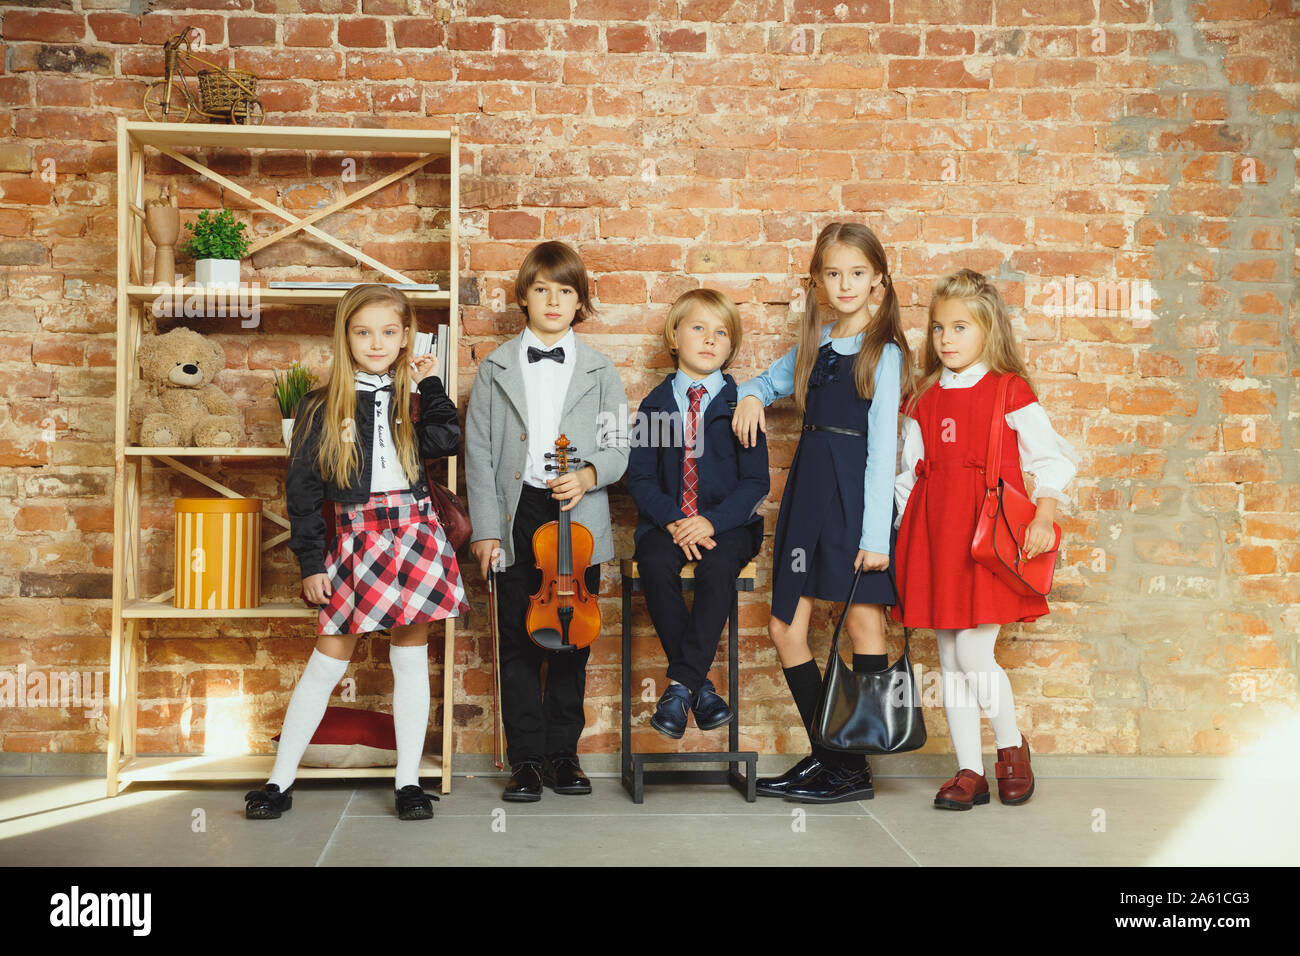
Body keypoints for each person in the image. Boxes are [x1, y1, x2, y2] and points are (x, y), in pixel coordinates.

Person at [246, 284, 468, 821]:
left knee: (410, 659)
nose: (376, 342)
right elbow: (300, 493)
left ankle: (409, 783)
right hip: (355, 539)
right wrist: (310, 563)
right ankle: (279, 781)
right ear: (345, 337)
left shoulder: (414, 402)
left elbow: (448, 438)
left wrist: (430, 379)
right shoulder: (320, 406)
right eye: (363, 331)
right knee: (327, 661)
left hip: (416, 534)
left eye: (389, 332)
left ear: (405, 338)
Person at [732, 222, 911, 803]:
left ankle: (849, 767)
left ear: (878, 280)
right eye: (833, 274)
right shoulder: (815, 346)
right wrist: (756, 395)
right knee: (785, 625)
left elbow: (884, 445)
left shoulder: (885, 353)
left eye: (857, 273)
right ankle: (833, 759)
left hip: (857, 497)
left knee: (863, 624)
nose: (845, 284)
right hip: (809, 490)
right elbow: (760, 381)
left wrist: (875, 536)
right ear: (816, 282)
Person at [894, 269, 1079, 809]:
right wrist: (912, 538)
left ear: (988, 331)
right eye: (937, 329)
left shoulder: (1008, 389)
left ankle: (1010, 749)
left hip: (988, 538)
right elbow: (908, 475)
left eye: (959, 328)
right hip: (936, 535)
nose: (946, 340)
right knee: (949, 656)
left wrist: (1043, 516)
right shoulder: (923, 396)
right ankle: (969, 771)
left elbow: (1049, 457)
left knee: (975, 650)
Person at [465, 240, 629, 802]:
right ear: (523, 298)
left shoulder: (602, 370)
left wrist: (586, 475)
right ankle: (526, 761)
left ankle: (565, 756)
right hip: (518, 512)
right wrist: (486, 531)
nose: (553, 301)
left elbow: (619, 447)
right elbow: (480, 456)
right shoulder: (495, 367)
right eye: (542, 290)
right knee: (516, 638)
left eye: (566, 291)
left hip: (578, 518)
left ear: (580, 301)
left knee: (571, 639)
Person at [626, 289, 769, 738]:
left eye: (722, 332)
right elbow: (640, 479)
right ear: (674, 336)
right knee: (652, 561)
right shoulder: (656, 404)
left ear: (731, 346)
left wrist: (711, 521)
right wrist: (673, 520)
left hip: (727, 525)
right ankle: (699, 689)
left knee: (718, 566)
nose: (710, 339)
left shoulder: (739, 403)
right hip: (667, 521)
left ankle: (679, 688)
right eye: (699, 328)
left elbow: (756, 482)